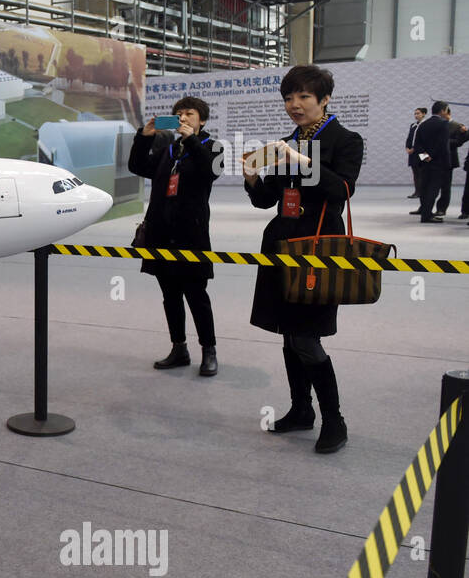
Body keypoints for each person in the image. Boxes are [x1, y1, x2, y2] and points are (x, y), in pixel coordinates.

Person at [242, 65, 362, 454]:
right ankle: (300, 410)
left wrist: (303, 159)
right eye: (289, 98)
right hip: (282, 246)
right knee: (289, 335)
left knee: (307, 339)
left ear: (324, 99)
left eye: (303, 97)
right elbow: (266, 201)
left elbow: (342, 190)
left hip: (318, 250)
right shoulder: (285, 142)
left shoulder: (346, 139)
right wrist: (251, 176)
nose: (294, 105)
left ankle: (334, 421)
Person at [128, 96, 224, 376]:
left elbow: (210, 171)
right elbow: (137, 166)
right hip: (161, 231)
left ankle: (209, 350)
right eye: (178, 114)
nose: (183, 118)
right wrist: (144, 137)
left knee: (196, 294)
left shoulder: (212, 147)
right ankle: (179, 348)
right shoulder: (167, 149)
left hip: (190, 234)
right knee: (170, 294)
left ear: (202, 120)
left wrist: (192, 140)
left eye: (189, 114)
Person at [412, 101, 452, 223]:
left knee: (424, 188)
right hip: (439, 163)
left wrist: (426, 157)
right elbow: (442, 144)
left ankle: (424, 212)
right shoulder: (443, 124)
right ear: (442, 111)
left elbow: (417, 145)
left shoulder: (423, 125)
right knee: (433, 190)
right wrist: (434, 157)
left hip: (425, 163)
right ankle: (427, 215)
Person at [405, 107, 426, 199]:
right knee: (415, 173)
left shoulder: (426, 125)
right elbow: (409, 138)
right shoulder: (413, 125)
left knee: (423, 173)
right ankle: (417, 191)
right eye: (415, 114)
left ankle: (422, 192)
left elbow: (425, 140)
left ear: (424, 114)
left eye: (418, 113)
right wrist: (407, 148)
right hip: (412, 153)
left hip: (422, 152)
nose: (416, 115)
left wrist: (415, 148)